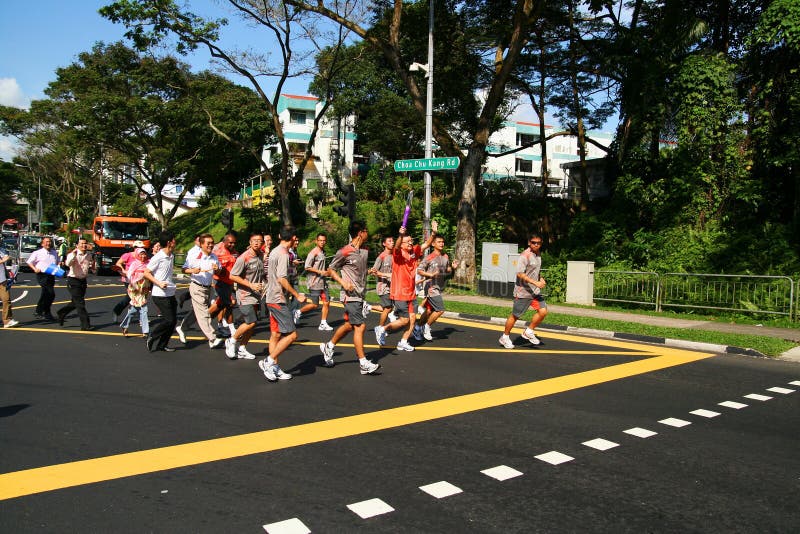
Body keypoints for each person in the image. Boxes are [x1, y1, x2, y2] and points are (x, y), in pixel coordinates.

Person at [319, 221, 381, 374]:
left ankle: (329, 346)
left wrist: (368, 271)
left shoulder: (365, 251)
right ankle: (363, 363)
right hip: (349, 296)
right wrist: (343, 283)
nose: (368, 233)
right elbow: (331, 270)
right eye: (366, 231)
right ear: (360, 232)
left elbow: (359, 270)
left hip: (359, 295)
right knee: (360, 326)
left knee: (349, 325)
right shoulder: (345, 251)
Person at [373, 222, 437, 351]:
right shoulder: (398, 255)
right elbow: (396, 246)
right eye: (407, 241)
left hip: (411, 292)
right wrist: (400, 235)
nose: (410, 243)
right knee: (404, 320)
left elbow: (426, 244)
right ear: (402, 243)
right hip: (399, 292)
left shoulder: (414, 252)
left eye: (411, 241)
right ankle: (382, 329)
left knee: (412, 319)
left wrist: (434, 233)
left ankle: (403, 341)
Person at [258, 226, 307, 382]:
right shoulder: (284, 254)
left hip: (272, 297)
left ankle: (274, 367)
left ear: (279, 236)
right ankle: (269, 361)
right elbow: (282, 278)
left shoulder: (274, 251)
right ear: (293, 238)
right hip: (278, 299)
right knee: (292, 335)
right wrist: (297, 295)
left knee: (276, 334)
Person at [499, 234, 548, 349]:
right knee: (515, 316)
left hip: (534, 292)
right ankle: (504, 337)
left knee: (543, 311)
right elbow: (520, 274)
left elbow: (536, 271)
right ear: (528, 243)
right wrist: (535, 283)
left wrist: (540, 279)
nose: (536, 244)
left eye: (538, 243)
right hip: (523, 292)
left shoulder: (538, 254)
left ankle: (528, 331)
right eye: (533, 242)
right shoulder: (524, 256)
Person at [226, 233, 267, 360]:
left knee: (252, 324)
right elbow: (232, 276)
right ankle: (231, 340)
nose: (256, 243)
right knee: (251, 322)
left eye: (259, 241)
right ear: (250, 242)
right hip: (244, 294)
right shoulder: (244, 258)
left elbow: (261, 274)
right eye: (254, 240)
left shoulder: (260, 255)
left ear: (262, 244)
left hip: (255, 294)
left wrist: (265, 285)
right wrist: (250, 285)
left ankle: (242, 348)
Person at [413, 232, 459, 342]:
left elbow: (447, 270)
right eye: (439, 242)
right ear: (433, 244)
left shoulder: (445, 256)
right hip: (430, 287)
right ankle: (426, 327)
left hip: (438, 287)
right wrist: (430, 275)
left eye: (443, 242)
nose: (442, 244)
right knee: (440, 310)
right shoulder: (429, 257)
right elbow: (419, 270)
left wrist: (453, 268)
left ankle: (417, 327)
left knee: (429, 311)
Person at [181, 233, 223, 349]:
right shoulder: (195, 255)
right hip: (196, 287)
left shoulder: (214, 257)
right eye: (208, 243)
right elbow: (184, 269)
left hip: (207, 288)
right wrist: (193, 270)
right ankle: (212, 338)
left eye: (212, 243)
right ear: (202, 244)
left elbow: (219, 271)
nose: (211, 245)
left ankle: (182, 328)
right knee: (204, 312)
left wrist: (217, 269)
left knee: (197, 313)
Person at [143, 231, 179, 352]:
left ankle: (162, 345)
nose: (175, 242)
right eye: (174, 240)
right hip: (159, 294)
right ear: (169, 243)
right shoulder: (158, 257)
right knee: (169, 320)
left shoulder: (171, 255)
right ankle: (152, 336)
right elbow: (146, 272)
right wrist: (158, 283)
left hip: (170, 293)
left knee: (173, 321)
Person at [296, 232, 333, 331]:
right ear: (316, 241)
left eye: (324, 240)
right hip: (314, 282)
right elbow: (307, 266)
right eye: (320, 240)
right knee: (315, 304)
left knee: (326, 302)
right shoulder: (313, 252)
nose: (322, 242)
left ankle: (323, 323)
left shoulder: (323, 252)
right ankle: (297, 312)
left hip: (323, 282)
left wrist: (328, 271)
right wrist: (320, 271)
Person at [56, 237, 94, 330]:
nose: (84, 245)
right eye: (81, 243)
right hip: (73, 281)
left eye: (85, 243)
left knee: (75, 302)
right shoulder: (72, 254)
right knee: (80, 303)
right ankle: (85, 325)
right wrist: (73, 254)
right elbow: (68, 264)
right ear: (77, 245)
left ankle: (62, 312)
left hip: (83, 281)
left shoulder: (89, 255)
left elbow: (90, 265)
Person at [210, 231, 238, 338]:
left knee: (222, 305)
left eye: (234, 243)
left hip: (229, 282)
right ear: (224, 241)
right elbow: (217, 271)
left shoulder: (233, 251)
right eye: (230, 243)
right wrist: (219, 271)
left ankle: (207, 321)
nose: (232, 245)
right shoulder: (220, 253)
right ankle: (206, 321)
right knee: (228, 304)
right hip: (220, 283)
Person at [111, 239, 146, 321]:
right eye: (138, 247)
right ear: (134, 247)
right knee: (131, 297)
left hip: (139, 280)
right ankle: (116, 311)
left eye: (142, 247)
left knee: (139, 297)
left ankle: (140, 316)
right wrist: (123, 270)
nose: (140, 249)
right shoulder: (128, 255)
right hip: (128, 279)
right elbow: (118, 263)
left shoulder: (143, 255)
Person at [120, 248, 151, 338]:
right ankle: (146, 331)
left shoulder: (148, 263)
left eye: (144, 254)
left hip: (144, 288)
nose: (143, 256)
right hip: (135, 288)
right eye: (141, 254)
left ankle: (124, 325)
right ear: (137, 255)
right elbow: (129, 275)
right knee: (144, 309)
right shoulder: (134, 264)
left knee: (134, 309)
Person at [26, 236, 59, 321]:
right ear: (42, 244)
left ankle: (46, 313)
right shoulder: (37, 252)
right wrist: (35, 269)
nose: (49, 243)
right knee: (50, 293)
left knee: (46, 294)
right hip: (42, 274)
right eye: (46, 242)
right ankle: (39, 311)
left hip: (51, 274)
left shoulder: (54, 252)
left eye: (50, 242)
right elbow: (29, 262)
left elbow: (57, 262)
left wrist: (59, 266)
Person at [368, 235, 397, 328]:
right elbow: (374, 271)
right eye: (389, 241)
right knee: (388, 308)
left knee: (389, 307)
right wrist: (380, 274)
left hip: (392, 286)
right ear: (384, 244)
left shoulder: (394, 255)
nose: (392, 242)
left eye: (393, 241)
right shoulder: (381, 257)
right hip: (383, 286)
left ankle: (368, 307)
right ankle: (380, 328)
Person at [0, 245, 19, 328]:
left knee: (6, 299)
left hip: (2, 279)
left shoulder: (1, 250)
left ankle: (7, 320)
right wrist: (2, 260)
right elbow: (3, 260)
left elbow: (5, 262)